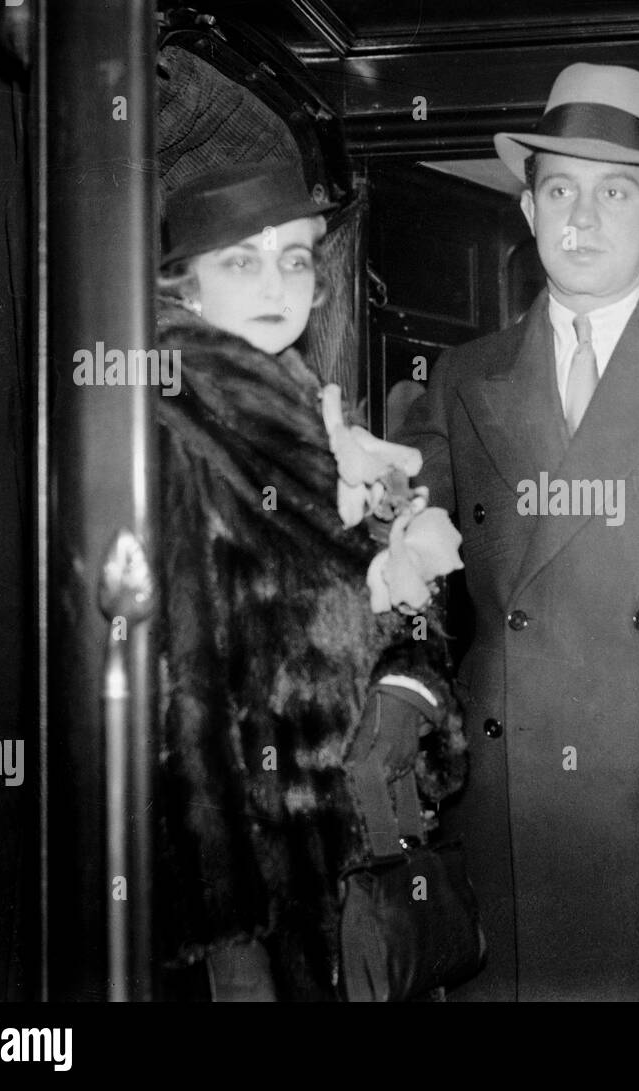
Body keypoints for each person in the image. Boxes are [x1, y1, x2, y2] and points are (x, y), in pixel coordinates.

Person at [396, 64, 639, 1001]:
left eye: (615, 192)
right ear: (528, 211)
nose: (583, 217)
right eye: (560, 189)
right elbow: (411, 576)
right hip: (505, 799)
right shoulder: (461, 375)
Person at [154, 162, 468, 1001]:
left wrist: (407, 668)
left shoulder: (319, 412)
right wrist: (227, 911)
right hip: (265, 861)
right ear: (182, 286)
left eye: (294, 260)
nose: (277, 283)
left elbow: (382, 604)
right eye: (241, 261)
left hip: (351, 823)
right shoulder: (168, 417)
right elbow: (182, 678)